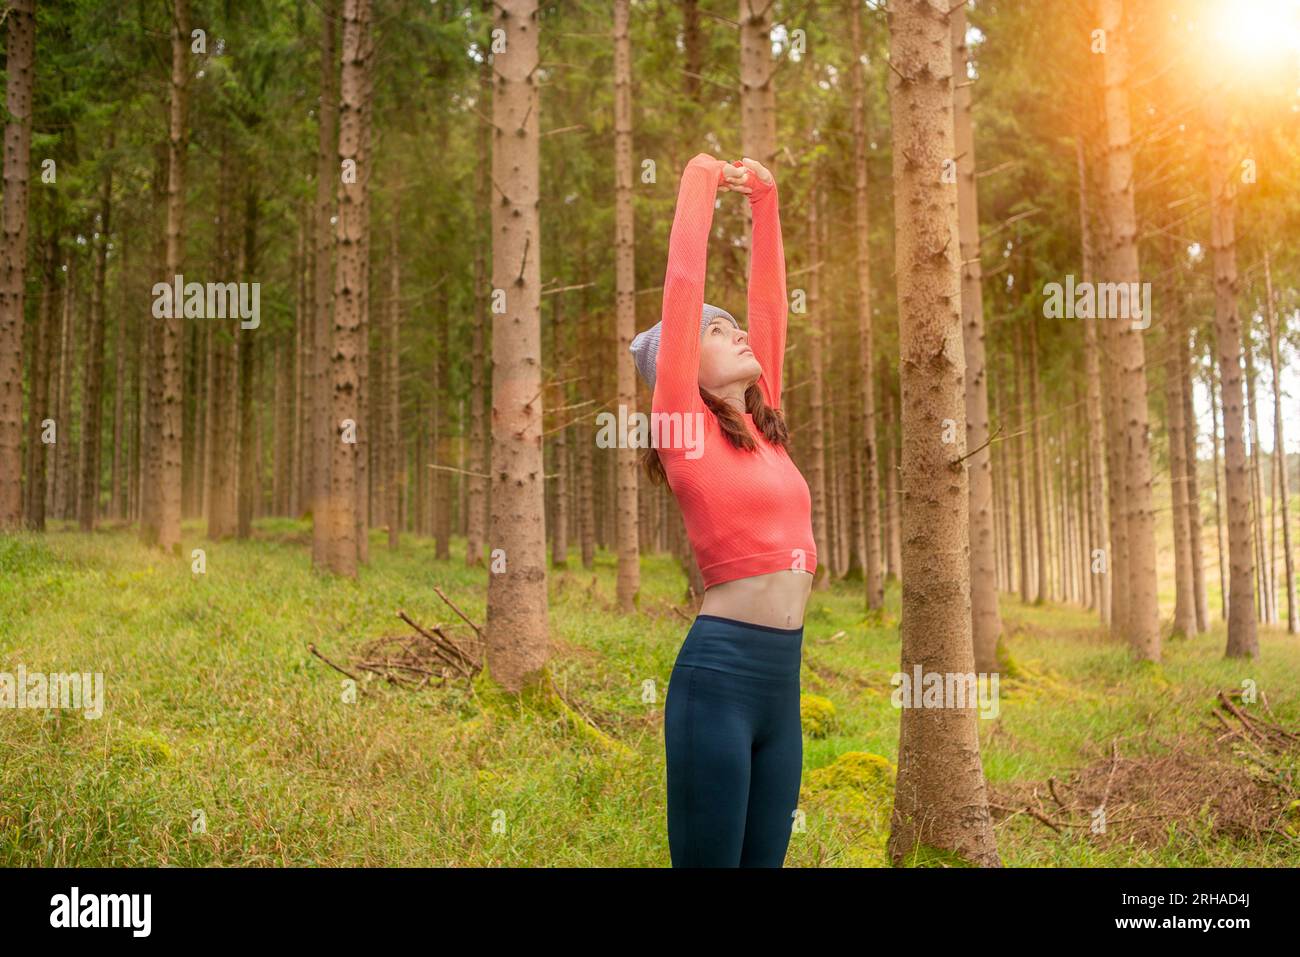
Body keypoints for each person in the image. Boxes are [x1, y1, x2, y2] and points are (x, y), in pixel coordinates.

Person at [628, 152, 816, 867]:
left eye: (735, 328)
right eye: (717, 331)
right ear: (682, 364)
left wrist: (765, 199)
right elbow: (684, 286)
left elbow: (768, 306)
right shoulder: (682, 426)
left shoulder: (764, 424)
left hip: (782, 686)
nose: (740, 334)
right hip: (720, 681)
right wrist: (702, 179)